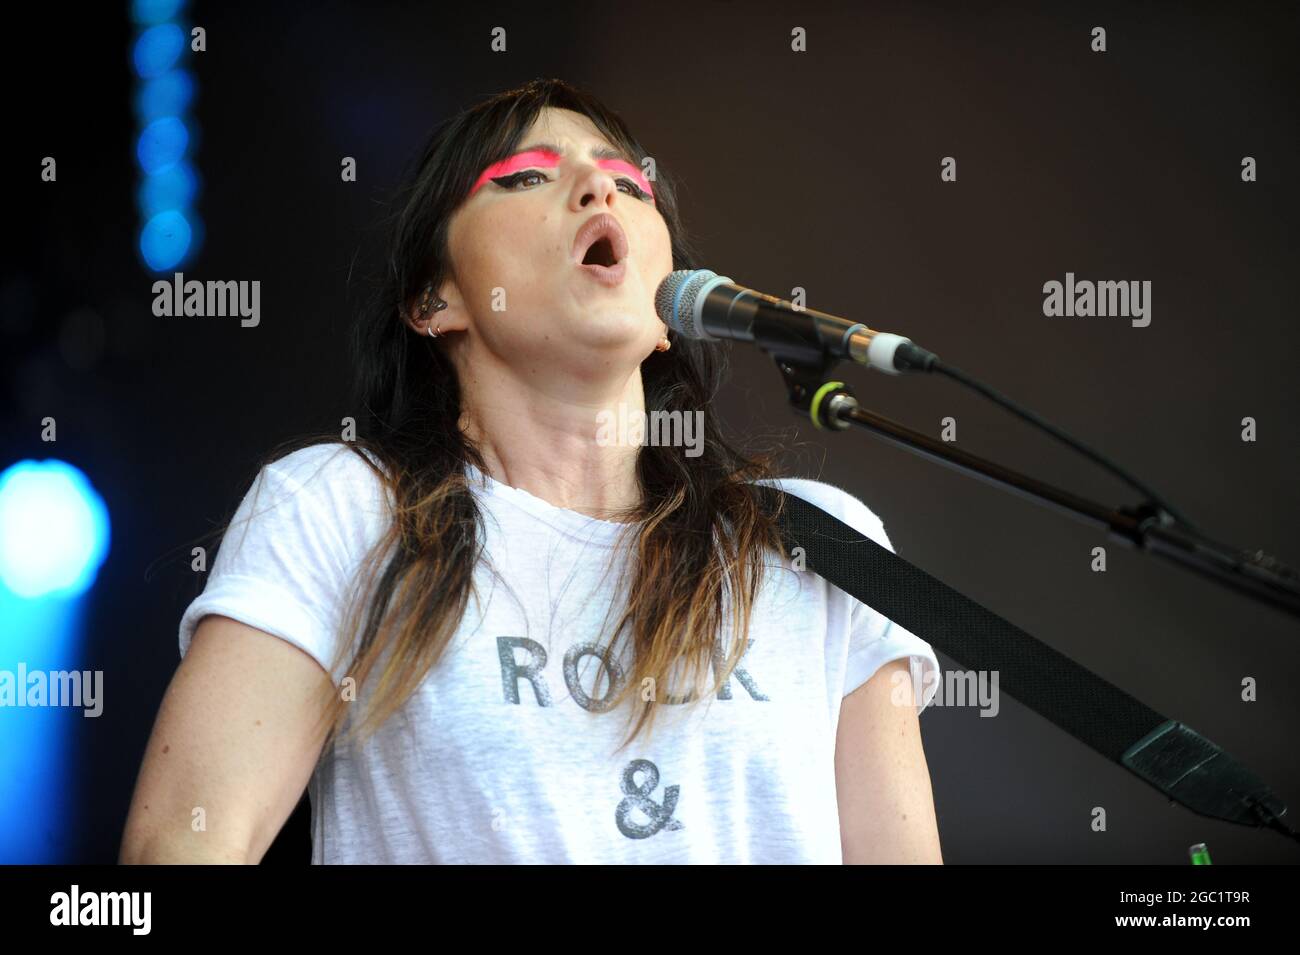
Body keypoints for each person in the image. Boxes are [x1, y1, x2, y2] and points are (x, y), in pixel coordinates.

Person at [120, 78, 943, 864]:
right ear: (434, 299)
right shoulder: (344, 507)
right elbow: (185, 842)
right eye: (522, 177)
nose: (599, 189)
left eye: (629, 181)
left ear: (668, 316)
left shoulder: (818, 543)